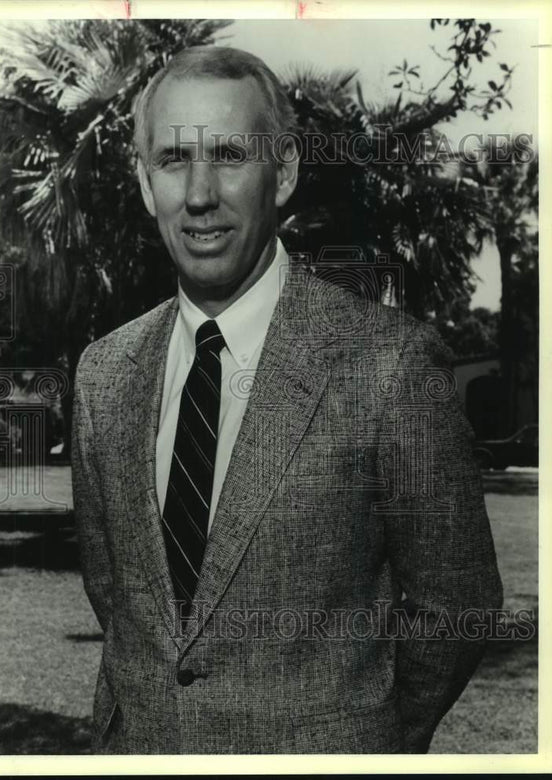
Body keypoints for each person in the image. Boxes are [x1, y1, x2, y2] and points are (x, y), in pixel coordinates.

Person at [72, 45, 503, 755]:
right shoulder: (103, 375)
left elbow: (456, 606)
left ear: (286, 172)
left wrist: (359, 743)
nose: (200, 193)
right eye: (175, 159)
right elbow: (119, 601)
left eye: (232, 155)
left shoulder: (387, 363)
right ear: (146, 184)